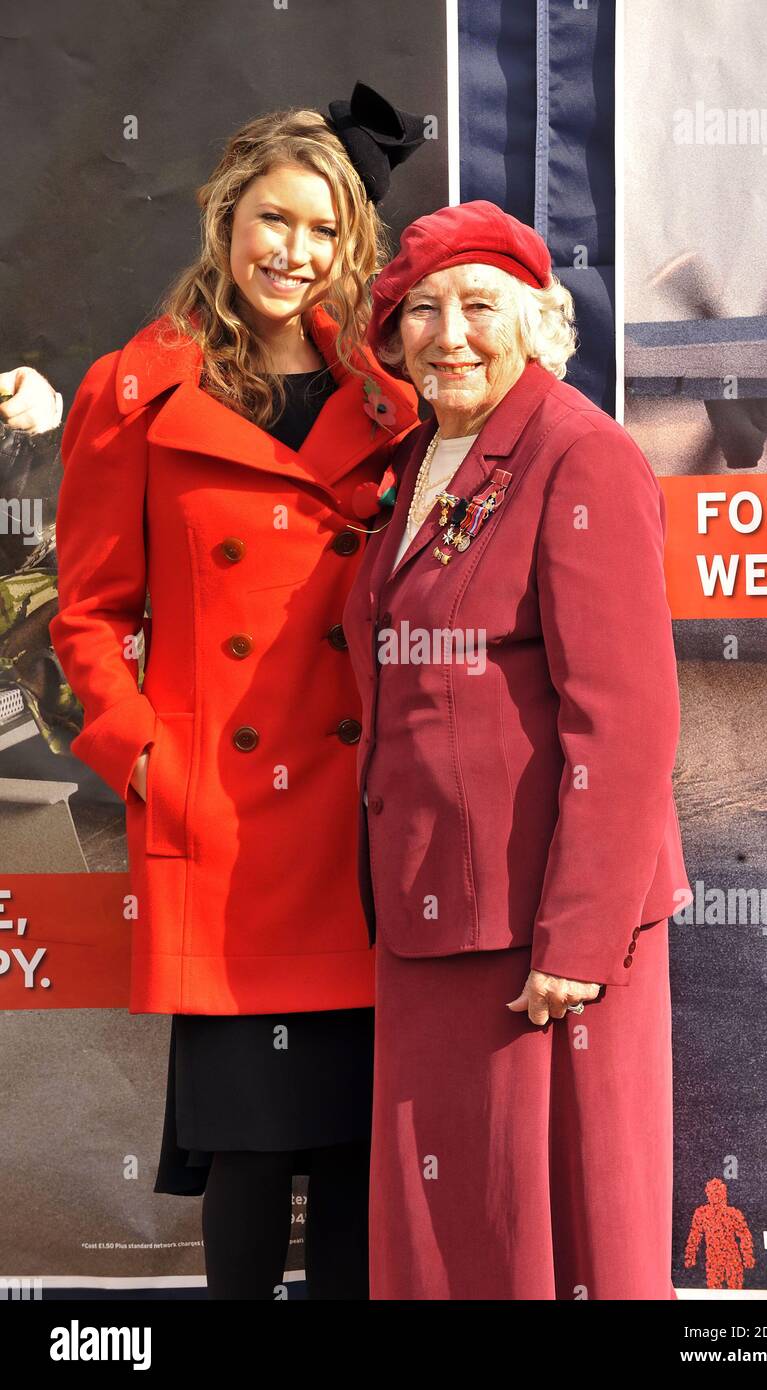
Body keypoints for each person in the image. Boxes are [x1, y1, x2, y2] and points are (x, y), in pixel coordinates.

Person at [48, 86, 425, 1301]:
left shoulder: (393, 402)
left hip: (364, 831)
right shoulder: (133, 398)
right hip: (230, 830)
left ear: (350, 247)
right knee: (254, 1163)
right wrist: (149, 760)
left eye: (323, 232)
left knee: (362, 1156)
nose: (294, 253)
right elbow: (88, 618)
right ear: (224, 215)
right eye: (274, 219)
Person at [341, 200, 694, 1300]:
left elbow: (626, 720)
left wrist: (579, 940)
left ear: (538, 324)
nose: (450, 334)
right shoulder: (417, 459)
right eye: (422, 311)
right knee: (447, 1225)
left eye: (479, 306)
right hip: (432, 906)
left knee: (551, 1226)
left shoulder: (580, 454)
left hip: (542, 928)